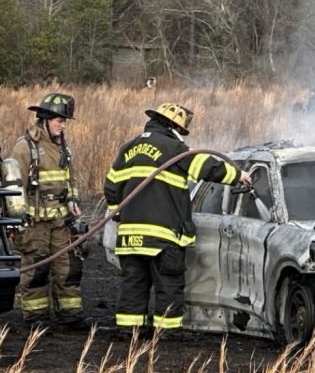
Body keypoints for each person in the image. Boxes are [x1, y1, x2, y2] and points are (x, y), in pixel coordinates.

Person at [104, 103, 251, 332]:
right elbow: (205, 167)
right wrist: (237, 175)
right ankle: (166, 335)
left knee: (133, 285)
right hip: (163, 236)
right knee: (168, 286)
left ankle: (129, 333)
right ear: (173, 126)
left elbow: (111, 187)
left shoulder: (127, 149)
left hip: (130, 235)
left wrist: (119, 213)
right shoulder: (174, 148)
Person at [9, 92, 84, 327]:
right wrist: (16, 220)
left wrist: (72, 201)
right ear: (44, 119)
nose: (63, 125)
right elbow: (14, 187)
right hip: (35, 224)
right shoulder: (25, 148)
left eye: (64, 121)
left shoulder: (63, 146)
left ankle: (70, 316)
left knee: (68, 269)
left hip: (61, 221)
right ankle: (36, 318)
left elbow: (70, 179)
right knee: (36, 272)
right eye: (59, 120)